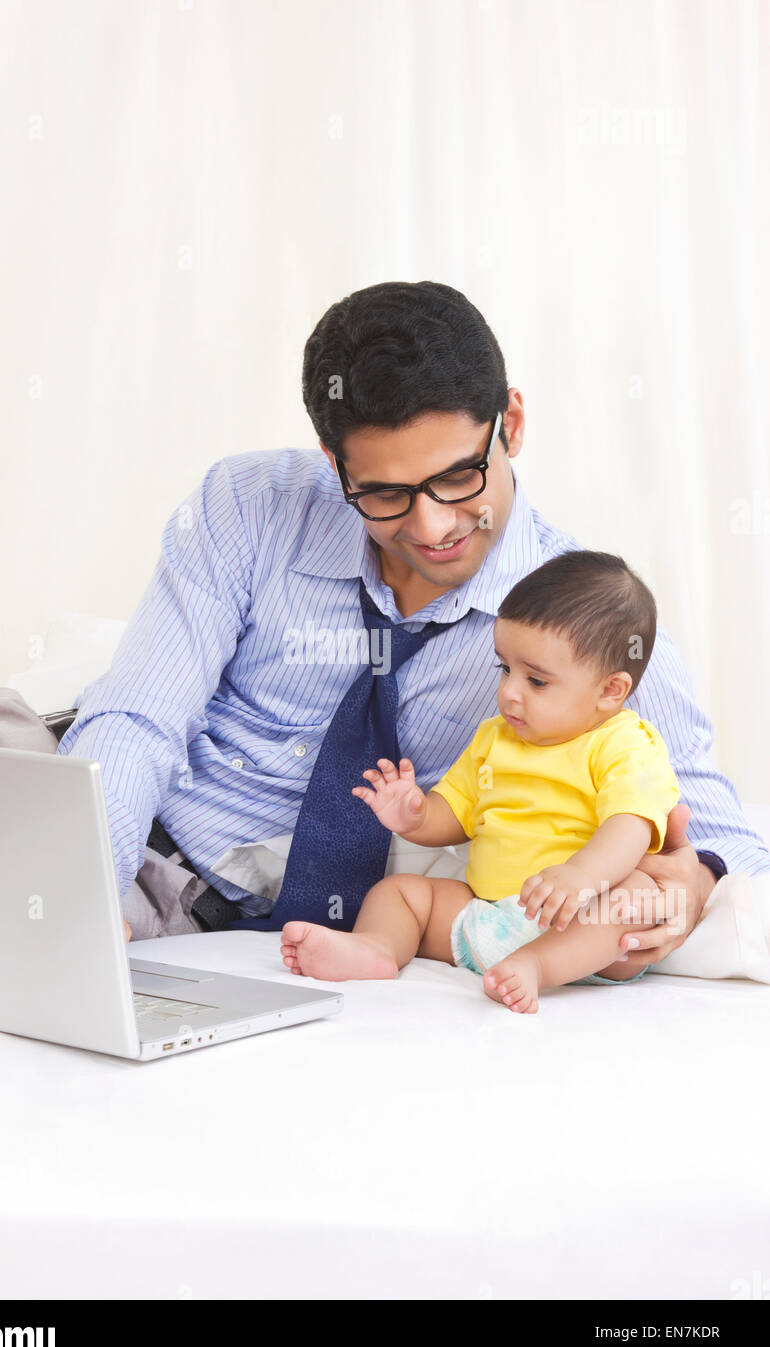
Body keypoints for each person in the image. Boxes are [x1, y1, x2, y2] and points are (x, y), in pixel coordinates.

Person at [56, 281, 770, 966]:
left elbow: (728, 846)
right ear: (337, 466)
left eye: (459, 477)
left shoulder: (588, 622)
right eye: (385, 493)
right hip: (148, 861)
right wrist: (78, 893)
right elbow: (137, 720)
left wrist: (693, 882)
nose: (432, 527)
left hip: (346, 923)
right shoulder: (248, 506)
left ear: (510, 426)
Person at [279, 550, 684, 1011]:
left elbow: (630, 825)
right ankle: (378, 948)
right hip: (485, 918)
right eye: (505, 668)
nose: (509, 692)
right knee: (401, 892)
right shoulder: (494, 739)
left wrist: (581, 877)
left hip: (581, 926)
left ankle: (538, 966)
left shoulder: (625, 744)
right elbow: (454, 814)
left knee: (638, 897)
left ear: (610, 691)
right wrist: (414, 815)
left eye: (537, 681)